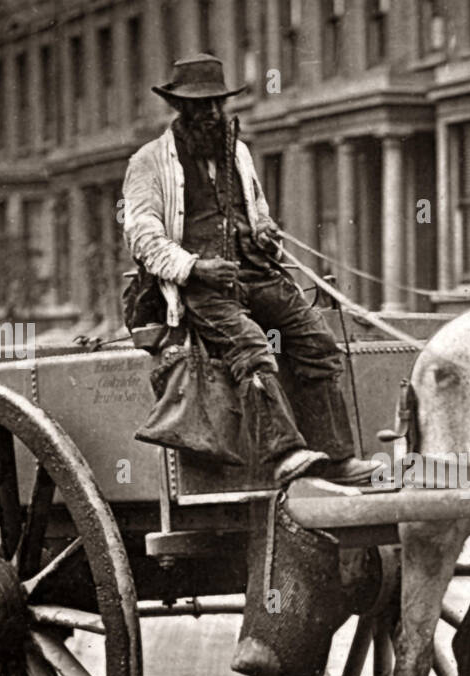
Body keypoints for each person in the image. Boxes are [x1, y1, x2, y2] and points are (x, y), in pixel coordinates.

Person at [122, 53, 380, 485]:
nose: (209, 113)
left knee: (317, 341)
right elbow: (143, 237)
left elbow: (257, 212)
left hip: (255, 276)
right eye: (198, 106)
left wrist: (264, 233)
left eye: (215, 104)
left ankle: (337, 459)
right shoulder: (149, 163)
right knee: (251, 346)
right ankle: (283, 453)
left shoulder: (238, 152)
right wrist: (197, 268)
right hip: (195, 291)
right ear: (180, 110)